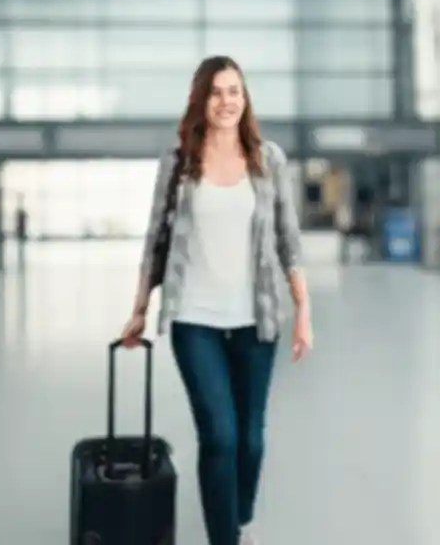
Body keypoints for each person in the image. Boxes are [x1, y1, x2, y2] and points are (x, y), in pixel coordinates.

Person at [121, 55, 315, 545]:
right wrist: (140, 309)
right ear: (200, 100)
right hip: (194, 319)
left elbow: (289, 240)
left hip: (257, 319)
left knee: (250, 440)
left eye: (234, 91)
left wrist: (304, 311)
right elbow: (156, 241)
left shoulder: (268, 159)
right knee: (219, 437)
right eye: (215, 92)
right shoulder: (178, 162)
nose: (226, 101)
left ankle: (239, 519)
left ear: (244, 98)